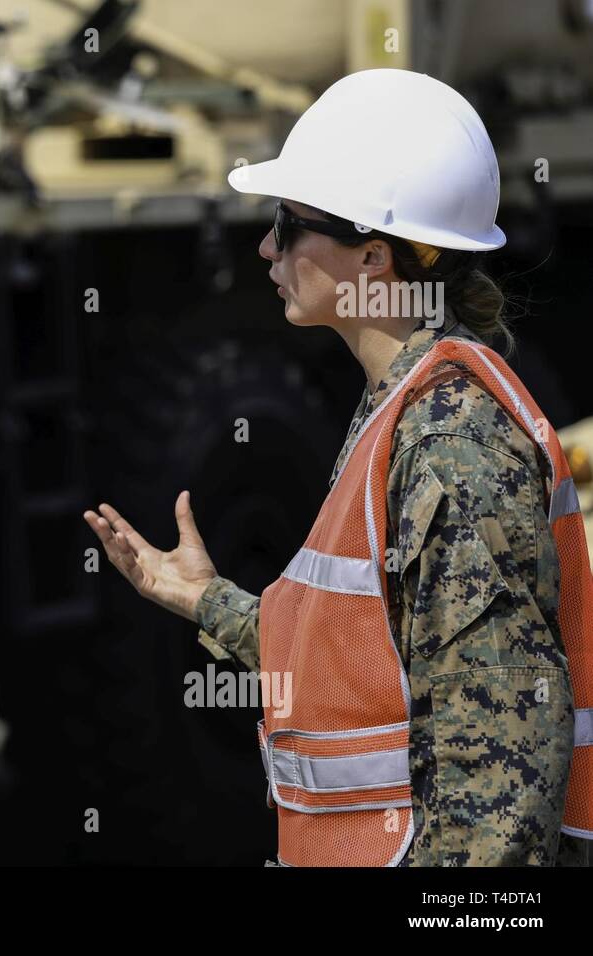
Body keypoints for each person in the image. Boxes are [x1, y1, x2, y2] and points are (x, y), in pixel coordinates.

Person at [84, 68, 592, 866]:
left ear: (374, 257)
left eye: (288, 224)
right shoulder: (401, 411)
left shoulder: (452, 443)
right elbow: (361, 661)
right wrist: (203, 600)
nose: (265, 246)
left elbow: (501, 784)